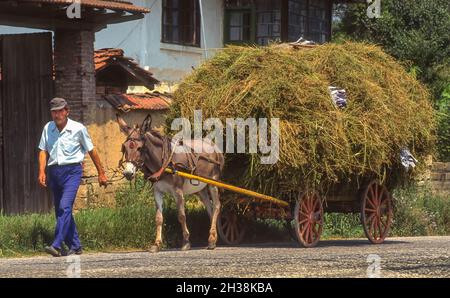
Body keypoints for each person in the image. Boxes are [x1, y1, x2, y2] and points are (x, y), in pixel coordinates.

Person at [38, 97, 108, 257]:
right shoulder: (48, 128)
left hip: (72, 172)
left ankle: (56, 245)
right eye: (54, 112)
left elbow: (92, 150)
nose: (57, 115)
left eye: (60, 111)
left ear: (67, 111)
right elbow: (42, 150)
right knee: (61, 211)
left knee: (64, 207)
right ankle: (75, 246)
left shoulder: (78, 128)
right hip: (54, 172)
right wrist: (41, 171)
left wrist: (101, 172)